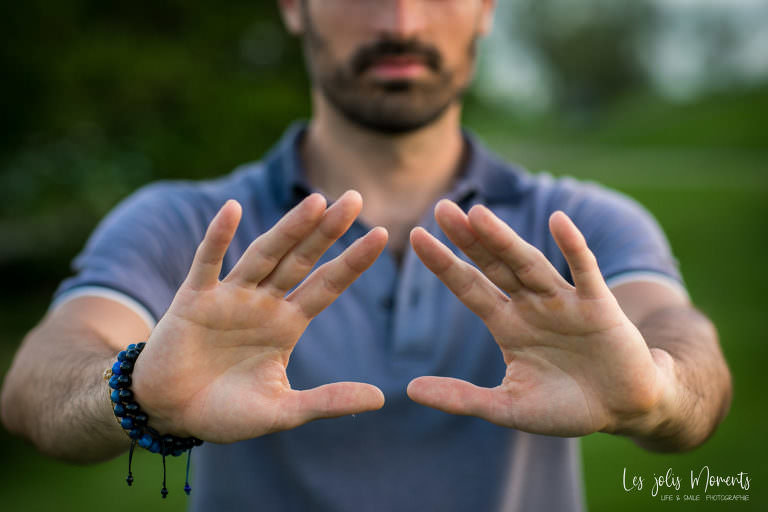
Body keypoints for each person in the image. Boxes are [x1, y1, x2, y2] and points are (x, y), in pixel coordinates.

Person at [1, 1, 732, 510]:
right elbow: (38, 377)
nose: (401, 21)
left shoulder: (580, 223)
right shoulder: (189, 223)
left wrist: (660, 390)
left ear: (485, 7)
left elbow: (683, 342)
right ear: (294, 5)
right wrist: (134, 389)